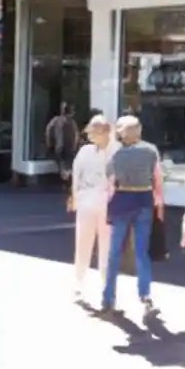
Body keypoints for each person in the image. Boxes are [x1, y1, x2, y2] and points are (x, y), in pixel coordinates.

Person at [101, 115, 164, 318]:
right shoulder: (151, 151)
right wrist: (159, 206)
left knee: (115, 251)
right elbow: (157, 181)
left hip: (122, 200)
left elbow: (109, 179)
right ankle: (145, 295)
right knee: (141, 251)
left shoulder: (115, 153)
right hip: (144, 200)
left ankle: (108, 298)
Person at [70, 115, 114, 301]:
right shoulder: (85, 152)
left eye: (94, 132)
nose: (91, 136)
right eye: (90, 132)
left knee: (107, 246)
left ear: (105, 132)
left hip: (108, 203)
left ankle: (106, 286)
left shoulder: (116, 152)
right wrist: (74, 196)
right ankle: (79, 283)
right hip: (87, 201)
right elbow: (76, 175)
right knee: (83, 243)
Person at [45, 102, 80, 186]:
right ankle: (67, 178)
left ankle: (65, 177)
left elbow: (48, 131)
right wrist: (75, 146)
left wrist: (49, 143)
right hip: (69, 147)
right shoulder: (72, 122)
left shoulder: (55, 120)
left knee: (62, 163)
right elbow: (76, 135)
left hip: (59, 146)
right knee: (68, 164)